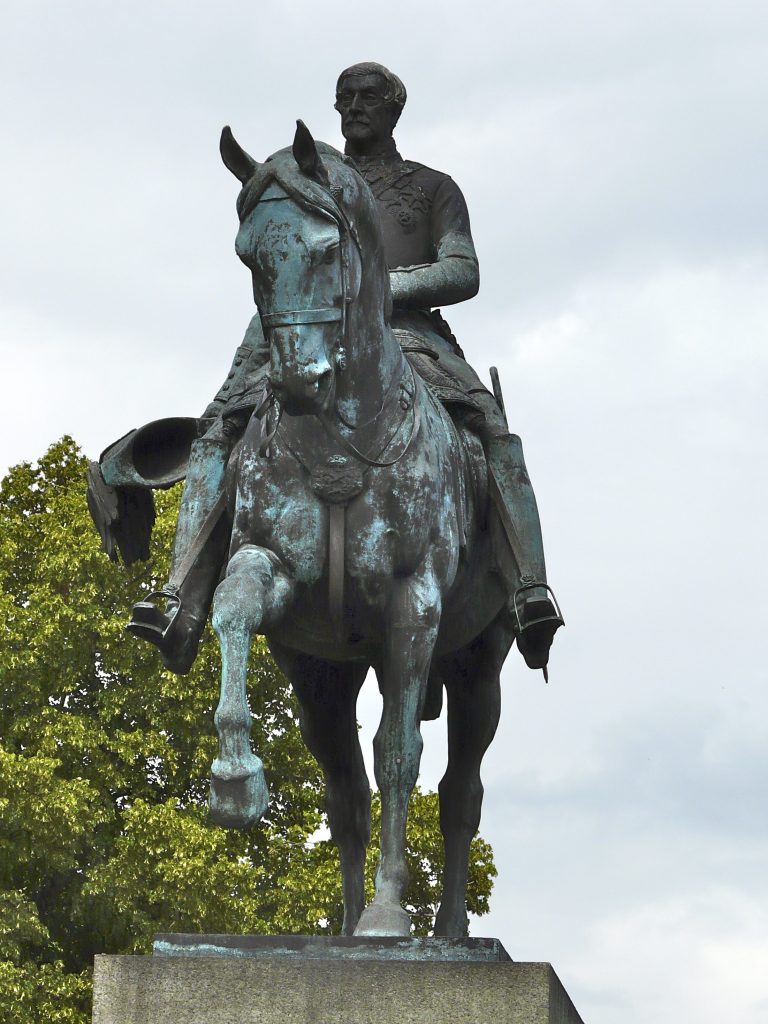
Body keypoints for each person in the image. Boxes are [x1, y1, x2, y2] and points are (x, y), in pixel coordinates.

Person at [128, 62, 561, 673]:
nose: (355, 108)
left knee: (491, 428)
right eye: (345, 99)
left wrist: (380, 287)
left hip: (408, 335)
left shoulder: (432, 188)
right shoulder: (304, 184)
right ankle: (183, 600)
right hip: (298, 328)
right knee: (217, 430)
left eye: (368, 98)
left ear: (393, 109)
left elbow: (463, 270)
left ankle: (528, 589)